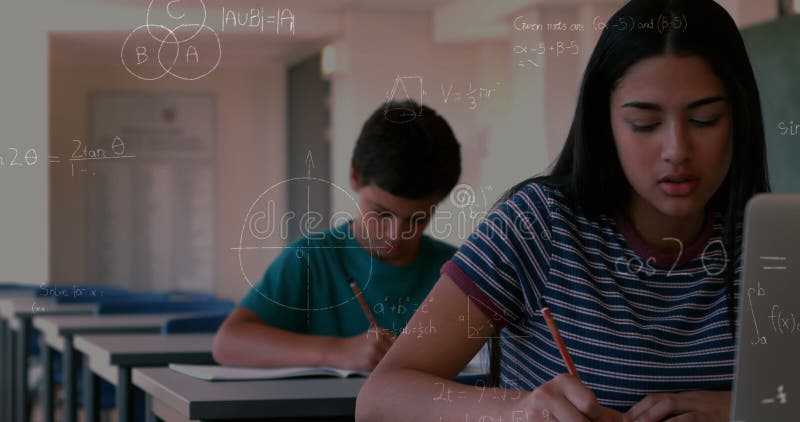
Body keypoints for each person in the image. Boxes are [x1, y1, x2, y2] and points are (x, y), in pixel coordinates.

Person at [356, 0, 770, 420]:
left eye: (705, 119)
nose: (676, 150)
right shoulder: (539, 224)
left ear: (739, 117)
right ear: (603, 124)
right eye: (644, 124)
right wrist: (521, 411)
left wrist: (746, 408)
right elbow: (381, 398)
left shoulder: (770, 240)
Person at [213, 100, 462, 371]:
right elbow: (228, 343)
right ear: (354, 177)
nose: (395, 235)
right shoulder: (311, 258)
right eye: (381, 213)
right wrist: (334, 352)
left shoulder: (456, 271)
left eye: (418, 219)